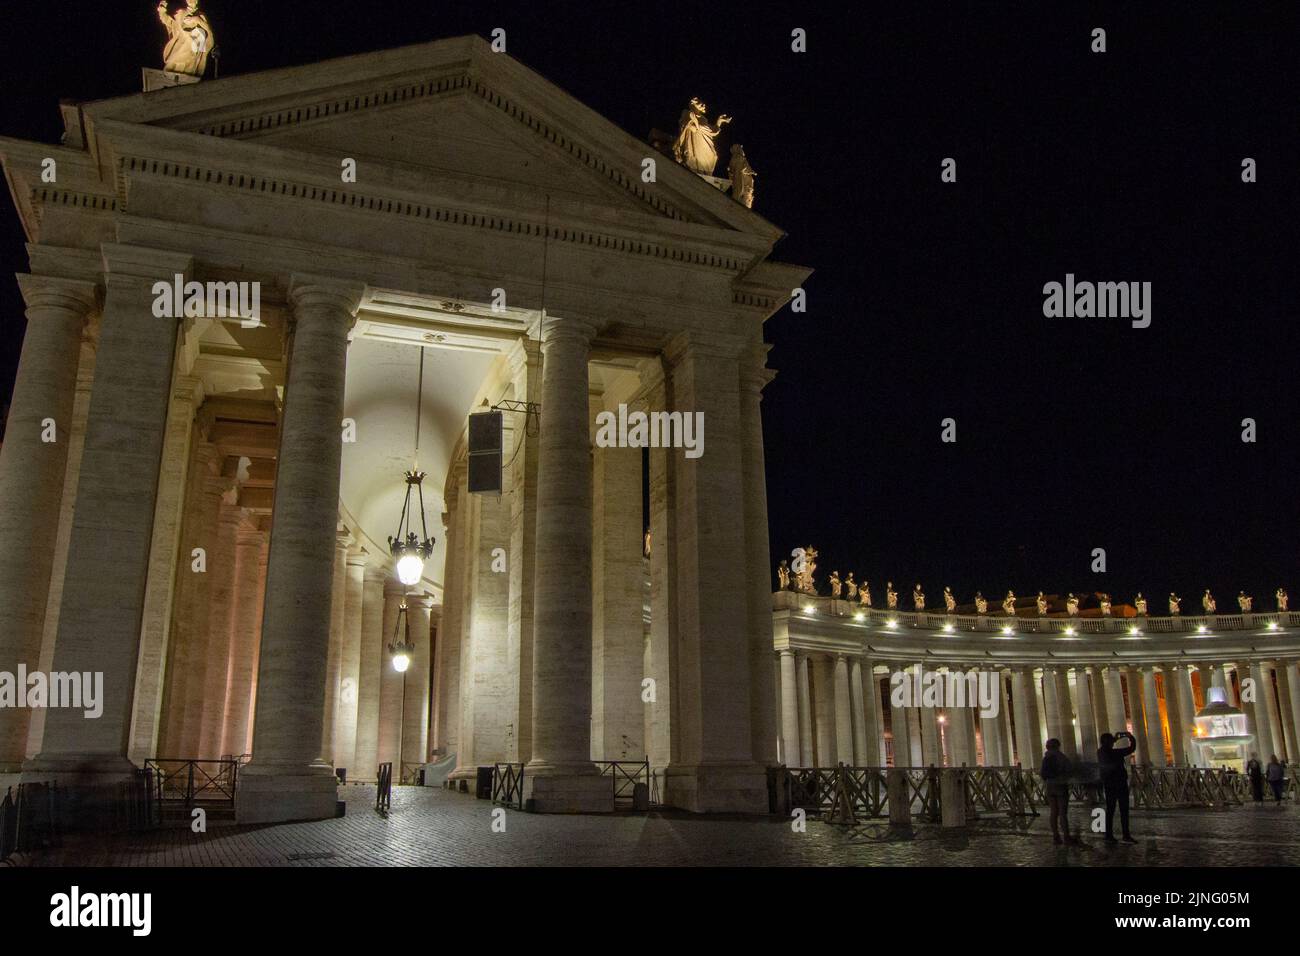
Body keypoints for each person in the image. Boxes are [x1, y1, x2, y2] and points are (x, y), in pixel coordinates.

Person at [1097, 731, 1138, 843]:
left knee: (1110, 810)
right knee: (1123, 810)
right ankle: (1125, 834)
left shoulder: (1100, 752)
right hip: (1119, 782)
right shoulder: (1115, 753)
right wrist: (1129, 737)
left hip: (1109, 783)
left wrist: (1114, 739)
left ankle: (1109, 835)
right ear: (1109, 742)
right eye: (1111, 741)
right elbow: (1131, 748)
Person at [1040, 738, 1073, 845]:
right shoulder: (1061, 757)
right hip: (1060, 785)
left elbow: (1043, 774)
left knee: (1053, 812)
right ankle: (1066, 836)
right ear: (1058, 746)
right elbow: (1069, 770)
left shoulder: (1046, 758)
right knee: (1063, 813)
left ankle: (1056, 836)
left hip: (1050, 786)